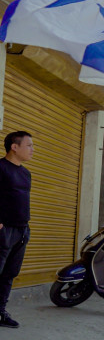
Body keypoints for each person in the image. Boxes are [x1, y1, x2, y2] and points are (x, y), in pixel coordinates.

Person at [0, 131, 33, 329]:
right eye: (28, 145)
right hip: (5, 230)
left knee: (9, 274)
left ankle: (0, 312)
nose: (32, 149)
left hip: (22, 230)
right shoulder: (1, 168)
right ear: (14, 146)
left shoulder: (25, 172)